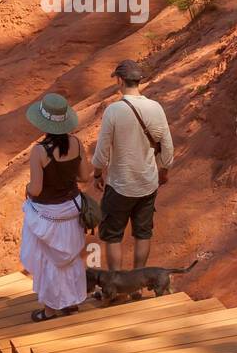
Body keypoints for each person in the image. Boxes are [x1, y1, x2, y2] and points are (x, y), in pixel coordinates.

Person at [92, 59, 174, 271]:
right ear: (138, 81)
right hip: (147, 183)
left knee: (112, 236)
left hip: (120, 184)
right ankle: (136, 283)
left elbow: (102, 150)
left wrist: (97, 173)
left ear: (119, 80)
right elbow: (167, 145)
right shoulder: (156, 108)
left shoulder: (114, 111)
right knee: (143, 234)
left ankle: (117, 288)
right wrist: (164, 170)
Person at [20, 92, 93, 322]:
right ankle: (71, 302)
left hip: (48, 215)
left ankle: (50, 309)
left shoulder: (39, 151)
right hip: (72, 209)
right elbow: (84, 177)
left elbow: (37, 189)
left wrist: (27, 188)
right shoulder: (77, 143)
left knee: (49, 260)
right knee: (70, 257)